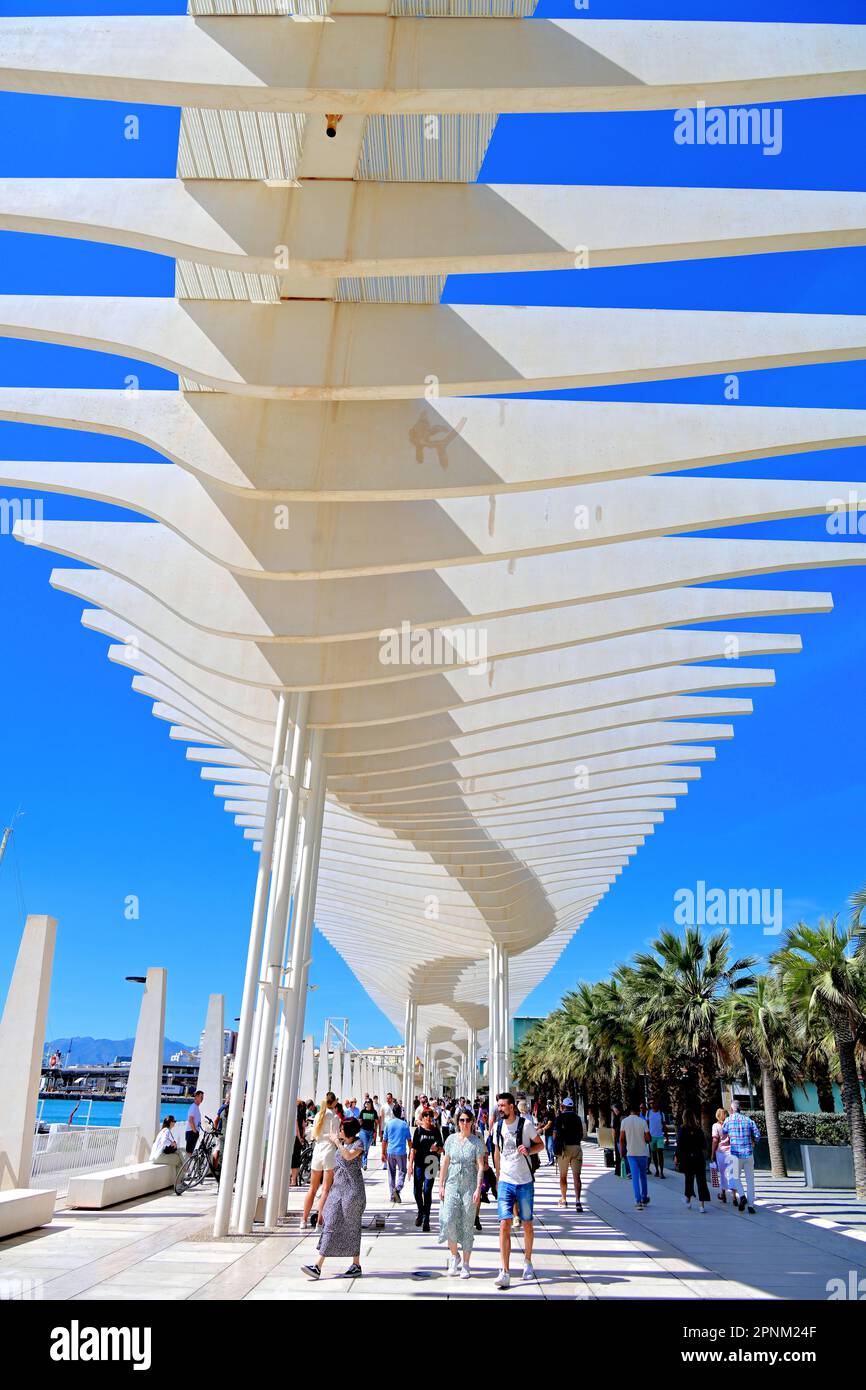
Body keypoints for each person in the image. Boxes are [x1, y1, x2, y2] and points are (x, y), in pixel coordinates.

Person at [301, 1117, 367, 1281]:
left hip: (352, 1192)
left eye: (342, 1130)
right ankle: (318, 1265)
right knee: (330, 1222)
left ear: (349, 1132)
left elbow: (348, 1156)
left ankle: (354, 1264)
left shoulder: (357, 1144)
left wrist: (337, 1142)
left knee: (352, 1227)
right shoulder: (343, 1143)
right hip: (338, 1190)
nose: (339, 1132)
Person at [492, 1091, 543, 1289]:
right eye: (499, 1106)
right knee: (504, 1223)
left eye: (503, 1106)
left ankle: (528, 1261)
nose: (500, 1109)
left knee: (527, 1223)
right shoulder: (497, 1127)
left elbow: (541, 1144)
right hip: (505, 1181)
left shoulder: (526, 1125)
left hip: (524, 1182)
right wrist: (497, 1175)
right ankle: (504, 1270)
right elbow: (497, 1151)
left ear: (512, 1106)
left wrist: (529, 1150)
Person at [438, 1109, 486, 1278]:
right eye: (462, 1120)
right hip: (451, 1184)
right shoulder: (451, 1140)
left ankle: (465, 1263)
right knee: (448, 1218)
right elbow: (445, 1162)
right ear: (457, 1122)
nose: (465, 1123)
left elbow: (481, 1166)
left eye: (467, 1120)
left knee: (467, 1224)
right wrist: (441, 1184)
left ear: (472, 1122)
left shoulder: (477, 1142)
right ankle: (454, 1256)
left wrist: (478, 1188)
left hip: (469, 1185)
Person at [303, 1092, 339, 1228]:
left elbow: (313, 1134)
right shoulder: (334, 1117)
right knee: (325, 1189)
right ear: (334, 1102)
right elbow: (335, 1136)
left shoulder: (318, 1115)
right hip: (329, 1150)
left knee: (312, 1188)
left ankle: (303, 1220)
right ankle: (319, 1221)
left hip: (317, 1150)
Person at [409, 1107, 444, 1232]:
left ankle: (426, 1219)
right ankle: (421, 1211)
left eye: (430, 1115)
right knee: (417, 1191)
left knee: (427, 1190)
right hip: (419, 1163)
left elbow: (442, 1149)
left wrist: (437, 1149)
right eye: (426, 1115)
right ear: (422, 1118)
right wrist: (410, 1166)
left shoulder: (436, 1131)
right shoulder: (418, 1131)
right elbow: (413, 1149)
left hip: (432, 1163)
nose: (428, 1118)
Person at [722, 1102, 761, 1214]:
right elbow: (757, 1135)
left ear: (731, 1109)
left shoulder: (728, 1120)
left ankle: (742, 1196)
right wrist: (753, 1142)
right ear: (740, 1109)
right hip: (748, 1153)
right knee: (750, 1181)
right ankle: (751, 1206)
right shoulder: (748, 1120)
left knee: (736, 1177)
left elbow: (723, 1133)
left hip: (735, 1154)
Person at [552, 1097, 585, 1212]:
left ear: (563, 1106)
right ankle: (578, 1201)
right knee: (577, 1177)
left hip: (564, 1149)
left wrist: (555, 1147)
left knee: (563, 1176)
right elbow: (582, 1134)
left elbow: (555, 1134)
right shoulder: (578, 1118)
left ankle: (564, 1199)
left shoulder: (559, 1117)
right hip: (576, 1148)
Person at [676, 1109, 711, 1212]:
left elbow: (680, 1144)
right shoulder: (698, 1129)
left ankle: (688, 1199)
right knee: (701, 1181)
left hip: (687, 1158)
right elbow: (704, 1145)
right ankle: (701, 1205)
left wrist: (677, 1156)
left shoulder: (682, 1129)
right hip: (698, 1157)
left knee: (689, 1179)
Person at [619, 1101, 651, 1210]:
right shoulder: (643, 1122)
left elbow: (622, 1138)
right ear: (638, 1111)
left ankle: (638, 1201)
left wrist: (622, 1151)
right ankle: (644, 1197)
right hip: (642, 1153)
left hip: (631, 1153)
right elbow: (648, 1138)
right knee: (643, 1176)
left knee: (635, 1178)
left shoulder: (624, 1122)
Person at [383, 1101, 411, 1203]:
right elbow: (409, 1140)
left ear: (393, 1112)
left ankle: (392, 1196)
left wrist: (383, 1152)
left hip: (390, 1151)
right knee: (402, 1171)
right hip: (401, 1152)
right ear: (401, 1112)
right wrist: (411, 1152)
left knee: (391, 1173)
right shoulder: (404, 1124)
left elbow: (384, 1140)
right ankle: (397, 1189)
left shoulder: (389, 1124)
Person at [711, 1107, 732, 1205]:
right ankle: (734, 1194)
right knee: (732, 1173)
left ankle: (723, 1193)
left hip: (721, 1152)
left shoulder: (716, 1126)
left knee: (722, 1173)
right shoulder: (729, 1124)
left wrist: (712, 1153)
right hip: (731, 1150)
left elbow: (715, 1140)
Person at [647, 1102, 667, 1177]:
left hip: (660, 1137)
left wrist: (667, 1137)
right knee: (654, 1154)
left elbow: (664, 1125)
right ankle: (657, 1170)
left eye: (654, 1103)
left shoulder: (661, 1114)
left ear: (657, 1104)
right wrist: (646, 1136)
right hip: (652, 1137)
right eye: (651, 1103)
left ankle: (661, 1172)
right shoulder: (648, 1113)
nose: (652, 1105)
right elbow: (646, 1124)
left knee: (660, 1153)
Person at [358, 1095, 378, 1170]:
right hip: (363, 1131)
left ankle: (360, 1160)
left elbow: (376, 1122)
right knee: (365, 1148)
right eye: (366, 1102)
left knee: (366, 1149)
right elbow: (360, 1121)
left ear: (371, 1103)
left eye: (368, 1102)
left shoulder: (374, 1112)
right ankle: (364, 1164)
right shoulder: (363, 1111)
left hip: (371, 1132)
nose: (367, 1103)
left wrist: (375, 1131)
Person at [290, 1099, 307, 1187]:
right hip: (299, 1139)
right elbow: (304, 1127)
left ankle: (293, 1180)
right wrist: (302, 1138)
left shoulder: (295, 1115)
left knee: (292, 1159)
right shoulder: (303, 1115)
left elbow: (296, 1128)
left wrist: (299, 1137)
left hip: (295, 1138)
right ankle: (294, 1179)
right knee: (296, 1159)